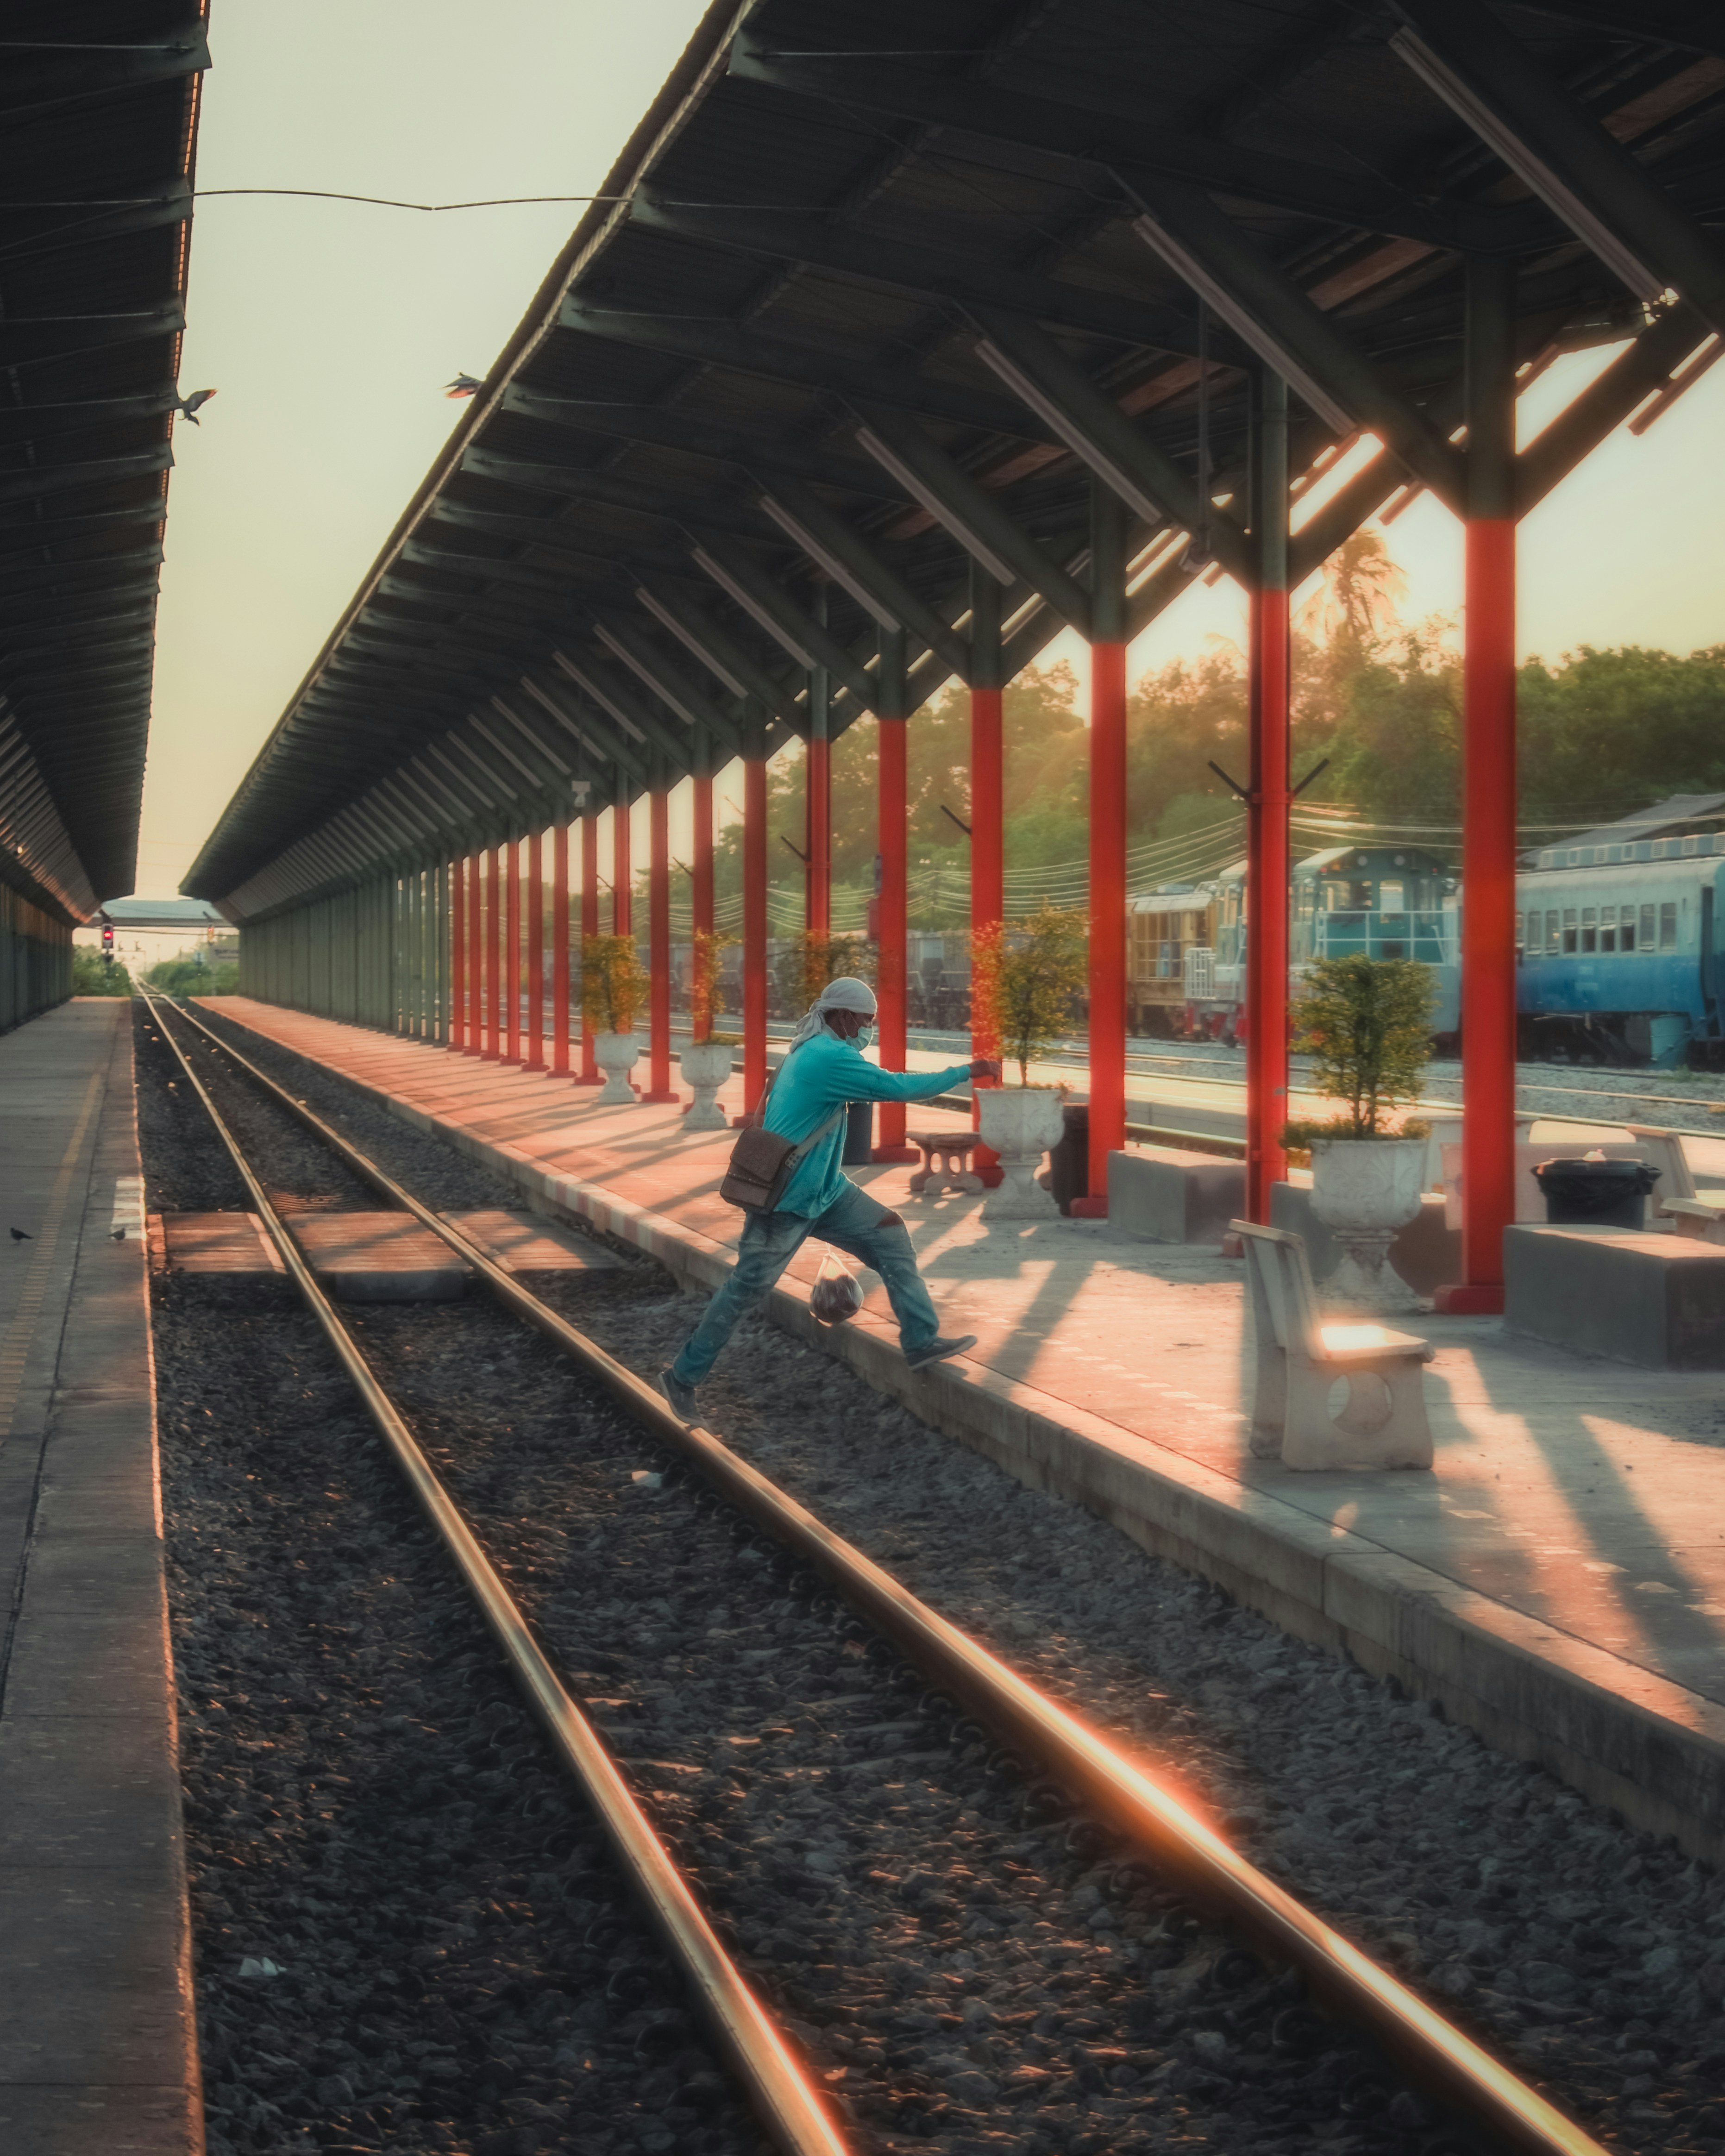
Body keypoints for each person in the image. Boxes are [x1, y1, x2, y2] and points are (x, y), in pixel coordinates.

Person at [659, 977, 999, 1422]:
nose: (867, 1029)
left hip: (825, 1188)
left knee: (890, 1236)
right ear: (842, 1016)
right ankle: (682, 1378)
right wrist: (966, 1072)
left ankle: (920, 1341)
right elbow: (898, 1089)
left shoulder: (811, 1048)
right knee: (745, 1290)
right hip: (788, 1199)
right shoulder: (828, 1057)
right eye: (865, 1020)